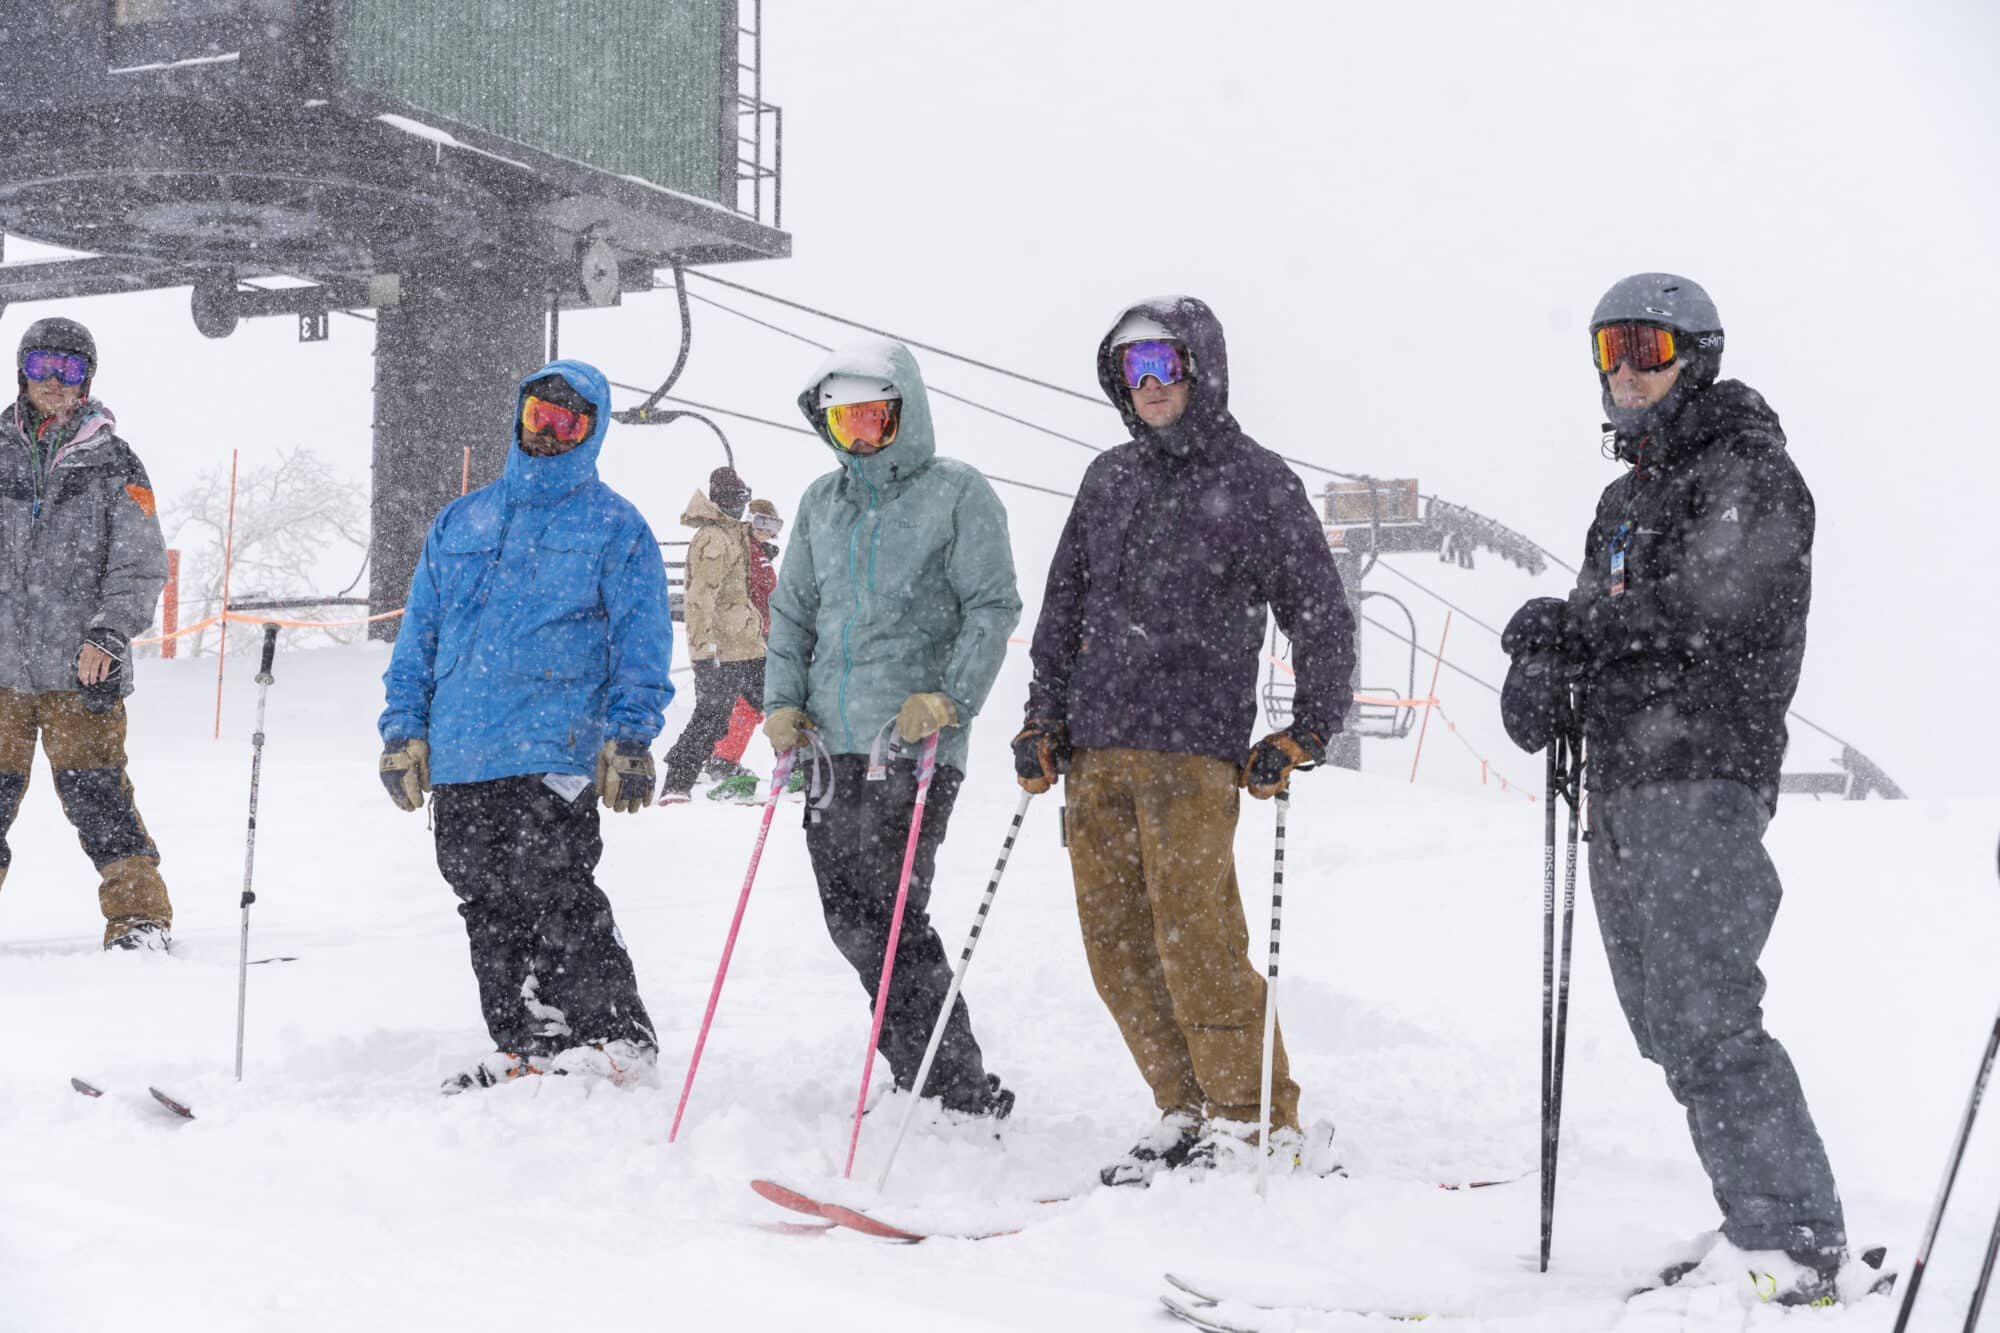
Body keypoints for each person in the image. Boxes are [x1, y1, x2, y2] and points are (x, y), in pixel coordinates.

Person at [1501, 273, 1846, 1305]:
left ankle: (1790, 1239)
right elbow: (1590, 615)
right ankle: (1758, 1218)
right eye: (1609, 349)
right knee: (1663, 1019)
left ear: (1694, 356)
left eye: (1646, 348)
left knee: (1706, 1014)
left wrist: (1578, 634)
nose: (1624, 369)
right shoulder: (1623, 499)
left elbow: (1711, 601)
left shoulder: (1747, 472)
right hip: (1622, 784)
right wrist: (1541, 679)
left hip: (1700, 774)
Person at [1016, 297, 1356, 1186]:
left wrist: (1311, 724)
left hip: (1192, 753)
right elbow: (1064, 609)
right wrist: (1043, 715)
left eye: (1166, 364)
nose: (1152, 384)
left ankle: (1253, 1119)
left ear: (1201, 367)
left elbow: (1318, 608)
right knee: (1115, 945)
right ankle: (1185, 1103)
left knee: (1196, 942)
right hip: (1096, 750)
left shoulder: (1255, 480)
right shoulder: (1108, 478)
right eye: (1134, 369)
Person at [378, 359, 672, 1094]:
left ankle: (614, 1034)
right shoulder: (463, 520)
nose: (548, 434)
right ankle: (530, 1036)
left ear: (591, 433)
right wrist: (403, 728)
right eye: (539, 417)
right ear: (519, 417)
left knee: (555, 886)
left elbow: (641, 640)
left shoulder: (615, 527)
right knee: (483, 894)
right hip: (464, 751)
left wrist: (630, 735)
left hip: (554, 746)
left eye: (567, 423)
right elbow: (421, 633)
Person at [763, 337, 1021, 1120]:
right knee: (849, 917)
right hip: (828, 745)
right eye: (844, 421)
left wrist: (949, 698)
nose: (859, 434)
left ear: (903, 414)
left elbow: (993, 604)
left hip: (911, 743)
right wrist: (783, 701)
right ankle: (926, 1068)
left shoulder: (955, 494)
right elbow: (793, 611)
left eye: (874, 416)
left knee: (889, 913)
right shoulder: (820, 502)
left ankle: (949, 1083)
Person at [0, 317, 172, 951]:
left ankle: (139, 918)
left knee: (97, 797)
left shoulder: (115, 462)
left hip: (82, 671)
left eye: (68, 369)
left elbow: (140, 563)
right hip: (1, 673)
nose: (53, 380)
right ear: (22, 371)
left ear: (86, 380)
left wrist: (107, 633)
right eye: (43, 365)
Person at [660, 467, 773, 803]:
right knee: (711, 717)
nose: (742, 507)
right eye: (739, 500)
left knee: (780, 704)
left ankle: (800, 772)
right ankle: (677, 783)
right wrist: (703, 653)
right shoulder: (714, 539)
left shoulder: (730, 534)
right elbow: (700, 599)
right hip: (724, 650)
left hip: (746, 645)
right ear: (724, 500)